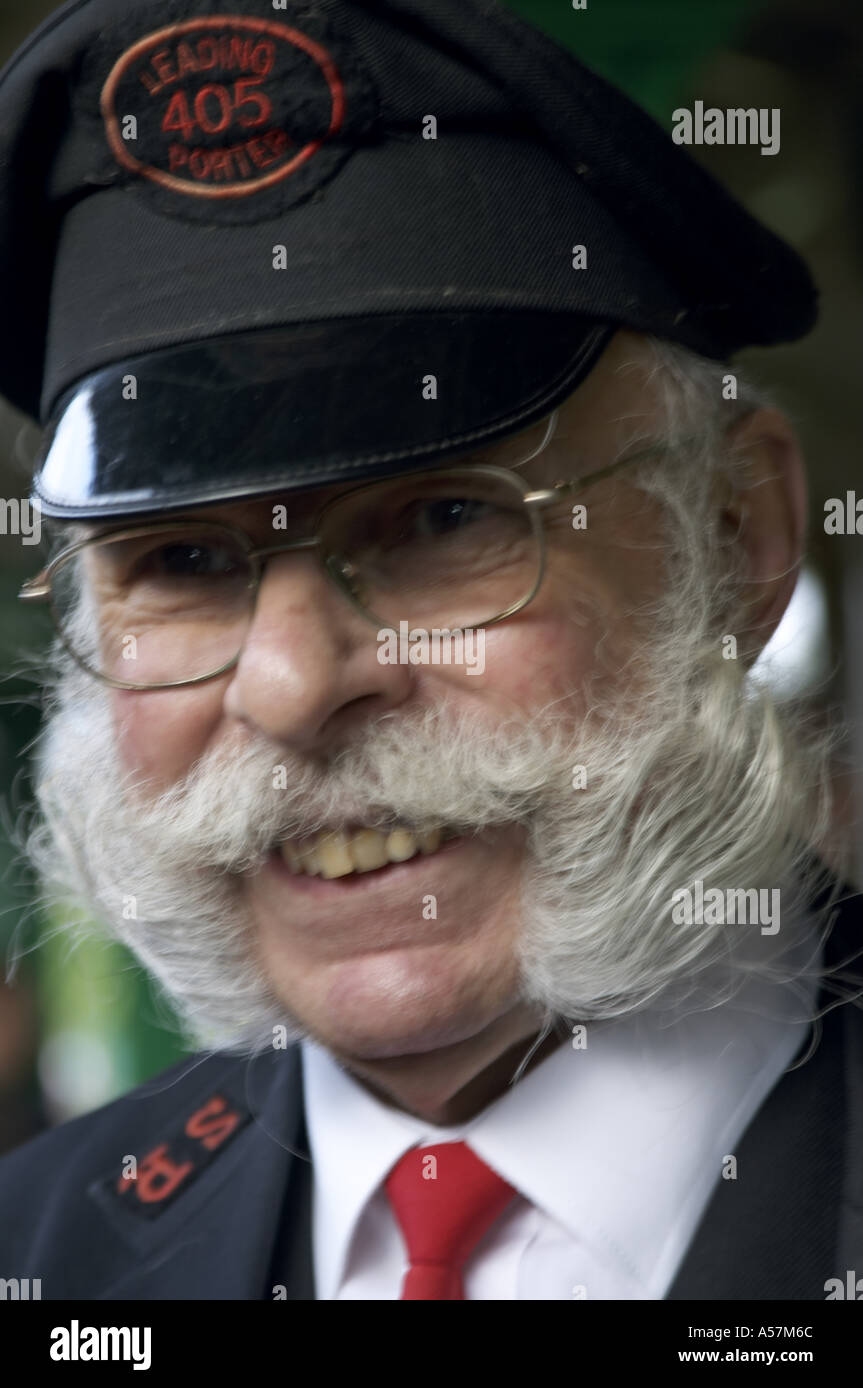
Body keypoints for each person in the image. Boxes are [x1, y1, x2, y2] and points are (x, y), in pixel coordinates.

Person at [0, 0, 859, 1301]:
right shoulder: (41, 1249)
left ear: (737, 536)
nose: (291, 687)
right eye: (181, 563)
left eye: (443, 520)